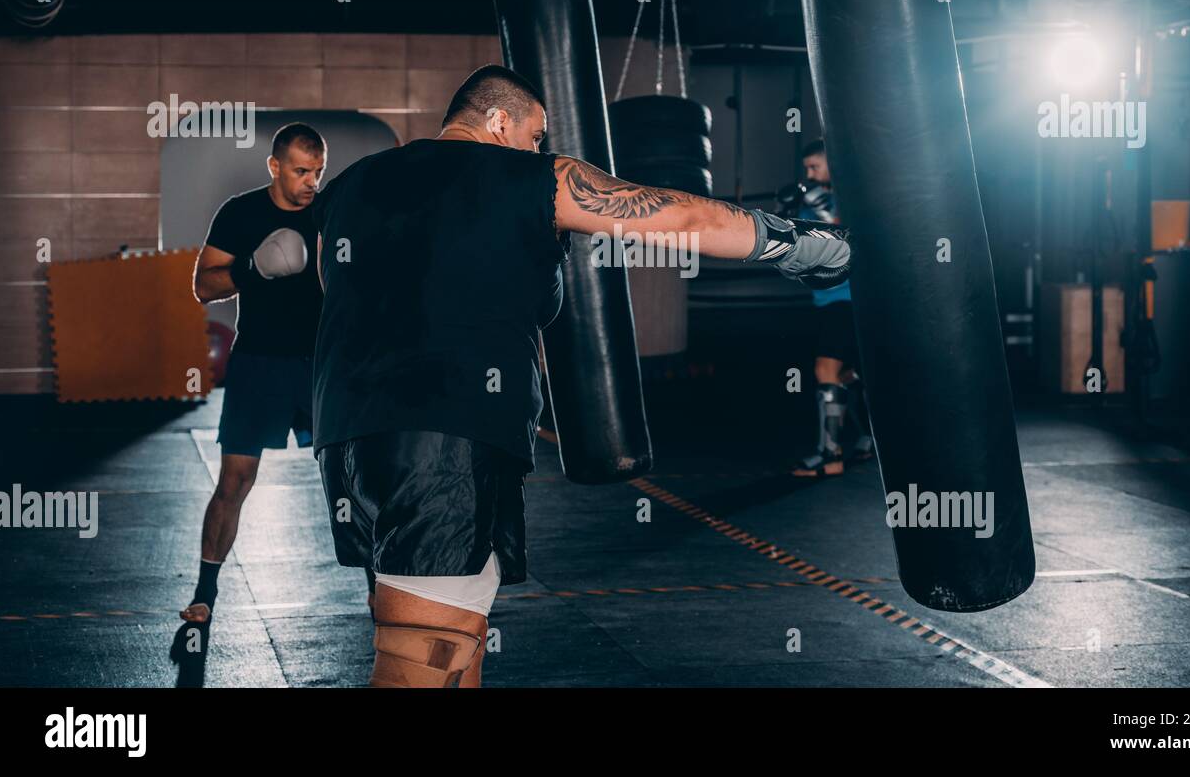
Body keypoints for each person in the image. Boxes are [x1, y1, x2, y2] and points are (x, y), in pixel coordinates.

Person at [310, 65, 849, 688]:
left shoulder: (353, 183)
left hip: (347, 432)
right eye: (535, 134)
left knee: (452, 640)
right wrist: (798, 243)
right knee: (419, 656)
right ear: (500, 121)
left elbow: (334, 289)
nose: (539, 147)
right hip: (444, 435)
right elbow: (679, 218)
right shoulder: (532, 175)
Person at [178, 123, 353, 641]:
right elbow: (203, 287)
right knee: (233, 480)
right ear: (275, 166)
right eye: (301, 171)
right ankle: (204, 595)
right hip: (259, 362)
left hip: (323, 364)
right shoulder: (241, 212)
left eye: (318, 172)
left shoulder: (330, 211)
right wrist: (253, 270)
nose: (310, 183)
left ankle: (377, 589)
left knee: (354, 482)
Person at [787, 139, 873, 477]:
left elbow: (844, 233)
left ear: (832, 164)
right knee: (848, 375)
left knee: (825, 370)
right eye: (806, 168)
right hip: (826, 302)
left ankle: (830, 455)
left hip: (846, 301)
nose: (808, 173)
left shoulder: (849, 198)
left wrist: (819, 204)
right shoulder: (808, 205)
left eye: (814, 167)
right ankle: (870, 437)